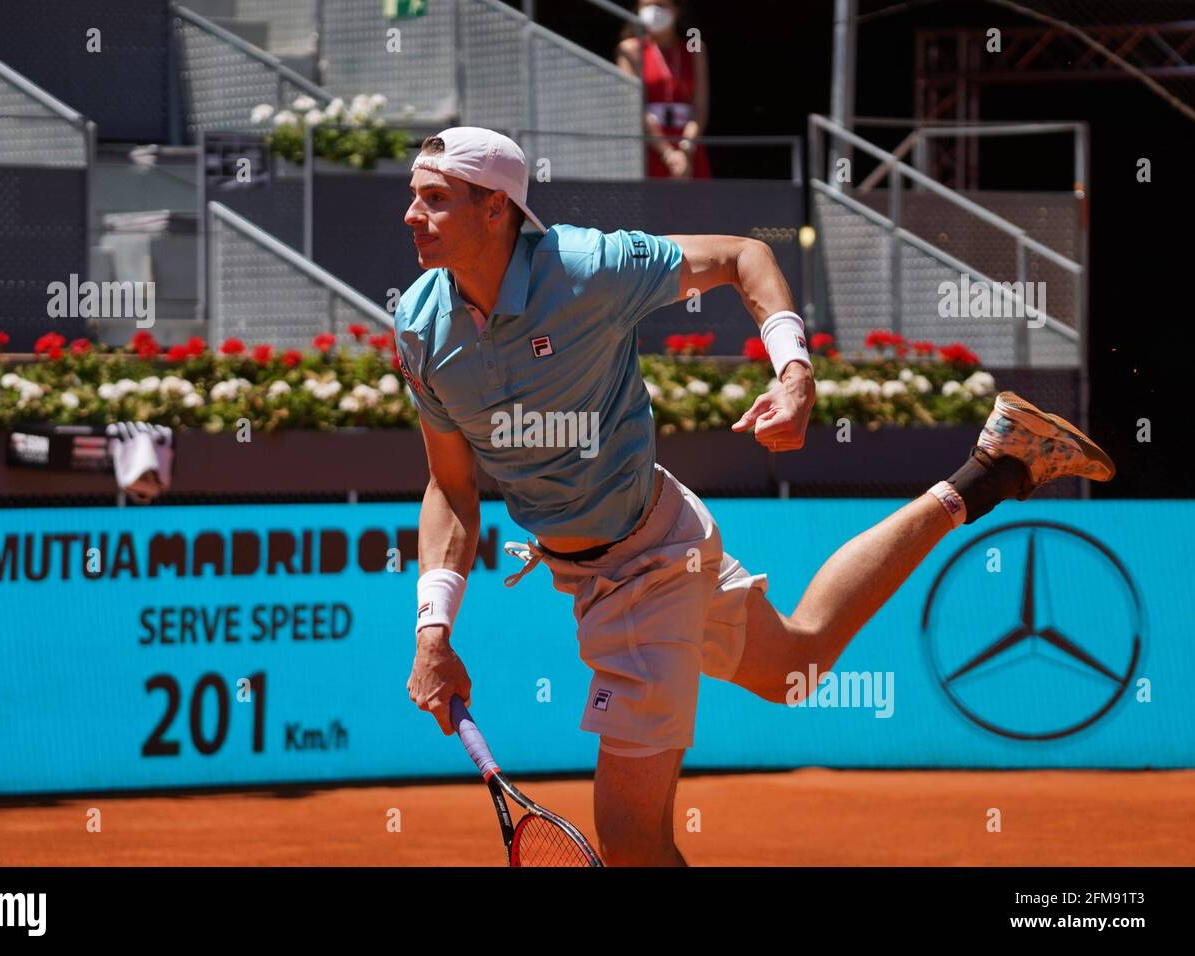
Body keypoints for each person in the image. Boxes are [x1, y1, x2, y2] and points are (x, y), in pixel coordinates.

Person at [396, 127, 1115, 866]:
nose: (412, 217)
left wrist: (795, 372)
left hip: (649, 571)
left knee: (631, 841)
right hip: (619, 555)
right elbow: (452, 487)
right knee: (794, 666)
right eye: (414, 198)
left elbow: (745, 256)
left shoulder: (587, 268)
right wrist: (433, 630)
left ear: (496, 210)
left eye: (435, 200)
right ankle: (992, 471)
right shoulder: (420, 325)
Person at [615, 0, 710, 179]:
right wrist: (668, 154)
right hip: (649, 146)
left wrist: (685, 150)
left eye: (660, 4)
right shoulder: (630, 50)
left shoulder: (696, 50)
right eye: (646, 6)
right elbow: (633, 109)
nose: (653, 11)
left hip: (689, 145)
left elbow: (700, 108)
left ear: (677, 9)